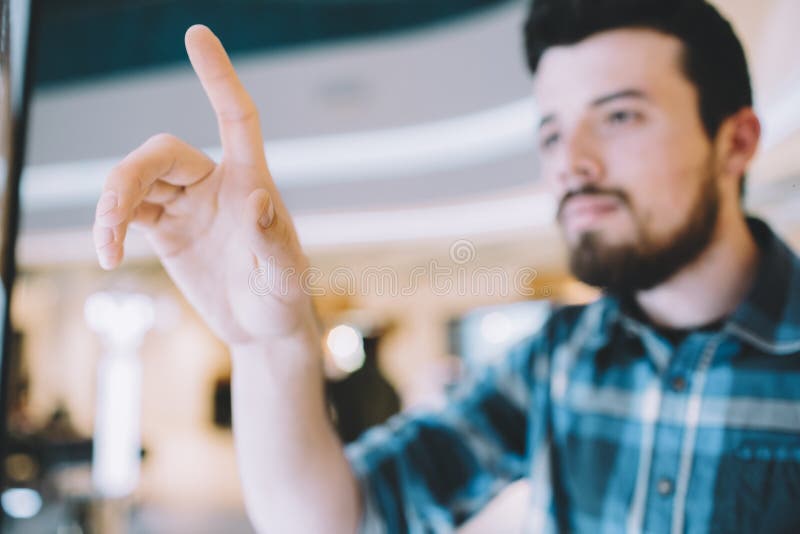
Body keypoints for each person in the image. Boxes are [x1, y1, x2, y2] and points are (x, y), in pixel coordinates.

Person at [92, 0, 800, 532]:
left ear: (735, 142)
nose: (571, 163)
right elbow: (340, 519)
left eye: (619, 117)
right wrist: (267, 343)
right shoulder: (558, 360)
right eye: (551, 131)